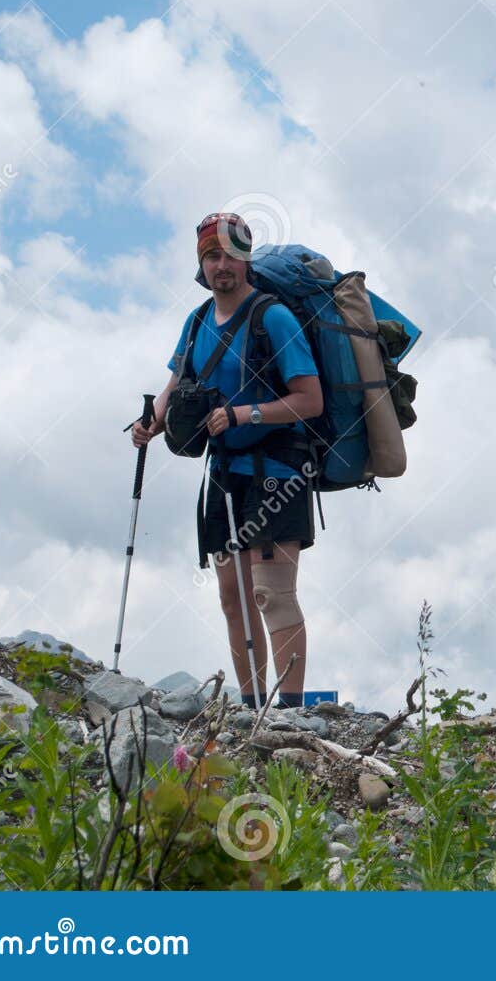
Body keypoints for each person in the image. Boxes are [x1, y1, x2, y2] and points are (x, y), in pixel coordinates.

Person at [128, 212, 324, 708]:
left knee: (271, 594)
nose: (223, 266)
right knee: (233, 599)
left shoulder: (272, 317)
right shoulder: (196, 322)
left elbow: (310, 400)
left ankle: (292, 711)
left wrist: (244, 415)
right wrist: (148, 423)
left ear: (246, 259)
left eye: (233, 256)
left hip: (279, 471)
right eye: (213, 256)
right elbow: (175, 386)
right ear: (201, 263)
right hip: (223, 476)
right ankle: (253, 706)